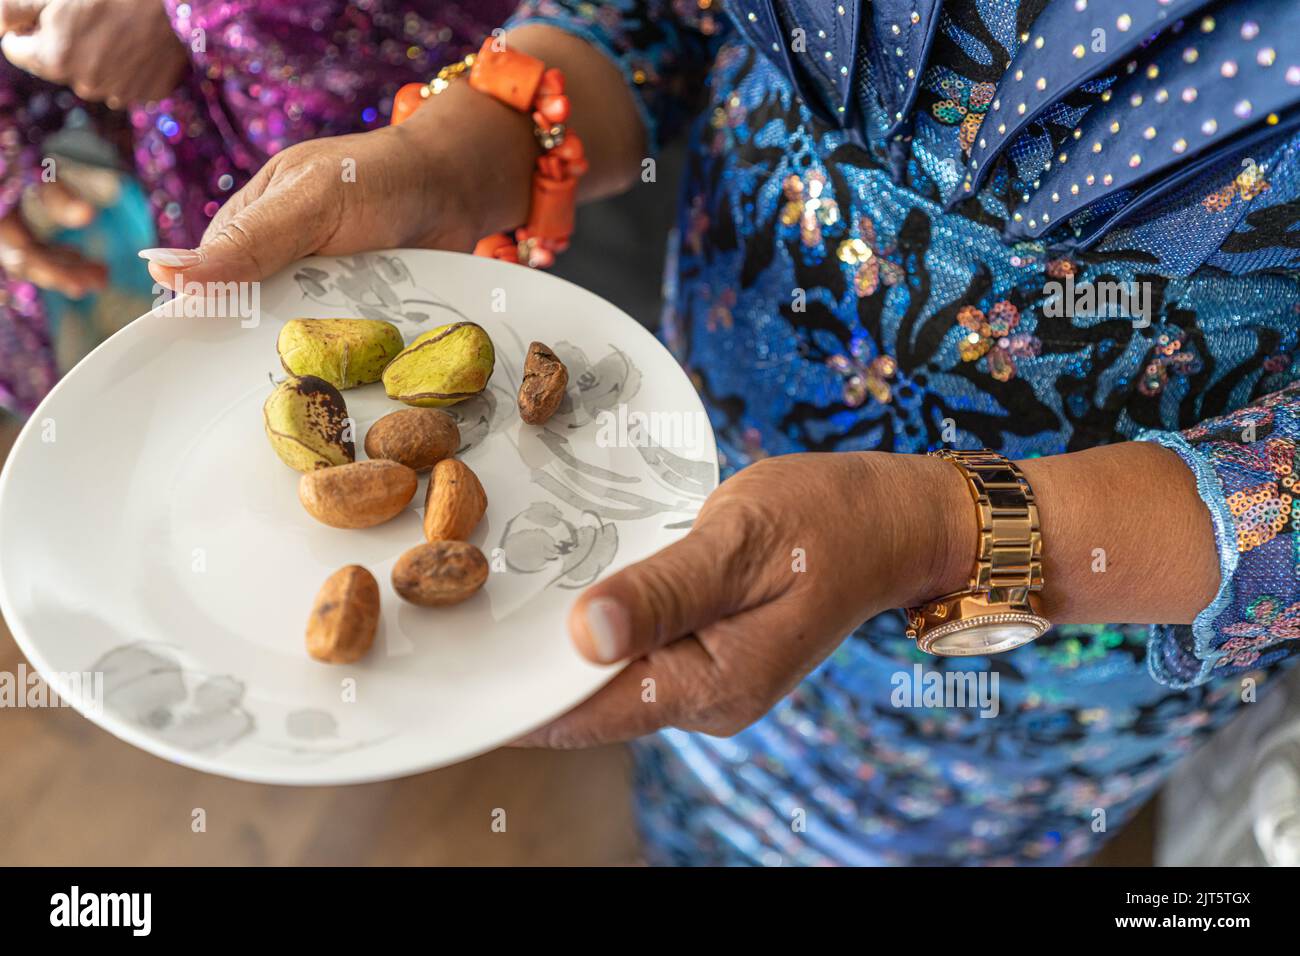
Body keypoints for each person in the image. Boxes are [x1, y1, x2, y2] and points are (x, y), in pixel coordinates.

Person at [146, 0, 1300, 865]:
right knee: (705, 792)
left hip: (1048, 649)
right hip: (691, 466)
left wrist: (941, 535)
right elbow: (670, 11)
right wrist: (462, 152)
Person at [0, 0, 514, 414]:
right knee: (253, 390)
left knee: (507, 358)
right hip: (195, 158)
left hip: (472, 123)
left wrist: (182, 11)